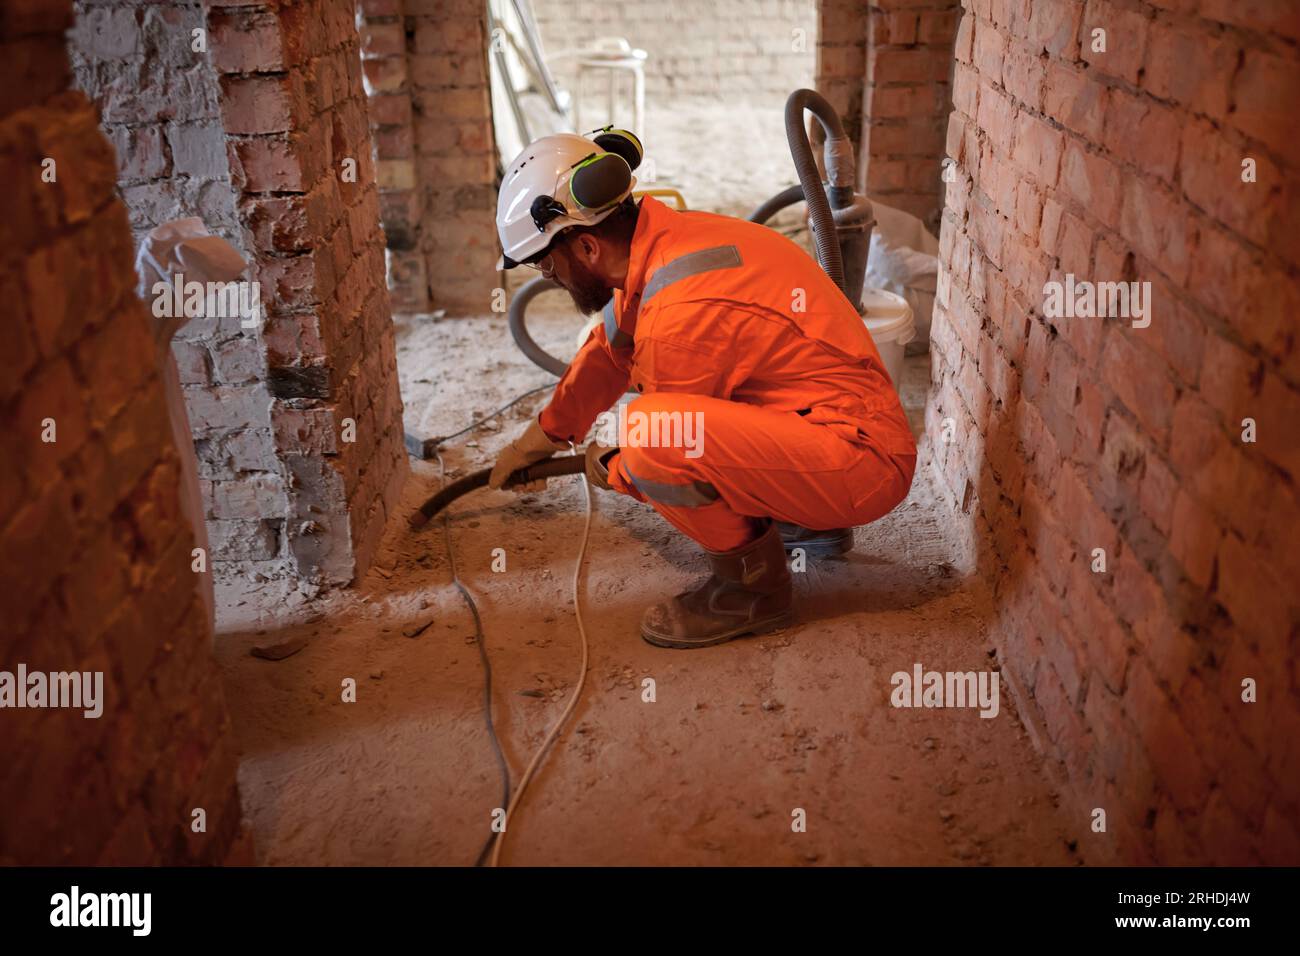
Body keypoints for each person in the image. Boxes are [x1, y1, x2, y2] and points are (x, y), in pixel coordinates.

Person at [490, 130, 917, 649]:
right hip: (827, 428)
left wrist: (611, 466)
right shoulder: (663, 247)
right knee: (663, 428)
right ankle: (804, 523)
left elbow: (669, 444)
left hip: (860, 464)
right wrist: (541, 437)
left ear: (585, 244)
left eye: (546, 264)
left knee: (652, 436)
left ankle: (752, 591)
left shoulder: (679, 311)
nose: (549, 276)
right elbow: (606, 353)